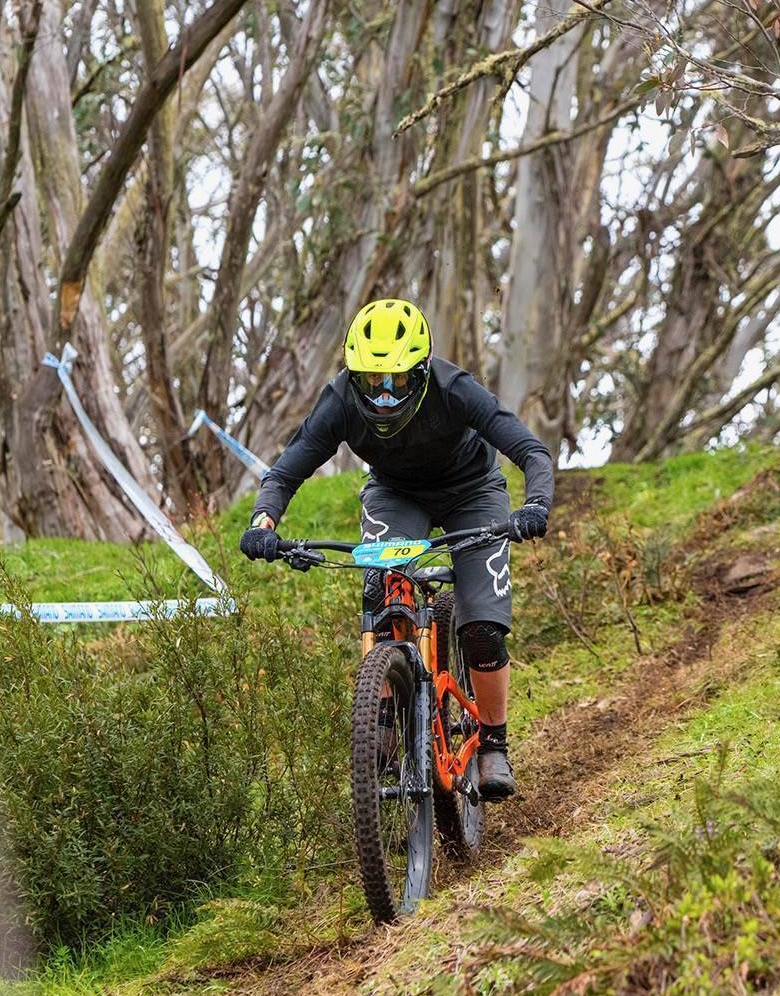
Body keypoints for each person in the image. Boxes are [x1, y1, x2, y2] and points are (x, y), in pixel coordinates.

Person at [238, 299, 555, 799]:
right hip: (395, 494)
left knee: (482, 628)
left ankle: (494, 741)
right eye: (370, 380)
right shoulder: (340, 400)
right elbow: (286, 471)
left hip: (473, 491)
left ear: (423, 372)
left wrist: (535, 504)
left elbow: (530, 450)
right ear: (352, 373)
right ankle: (383, 713)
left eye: (398, 381)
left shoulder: (455, 390)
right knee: (386, 596)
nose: (384, 396)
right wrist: (263, 522)